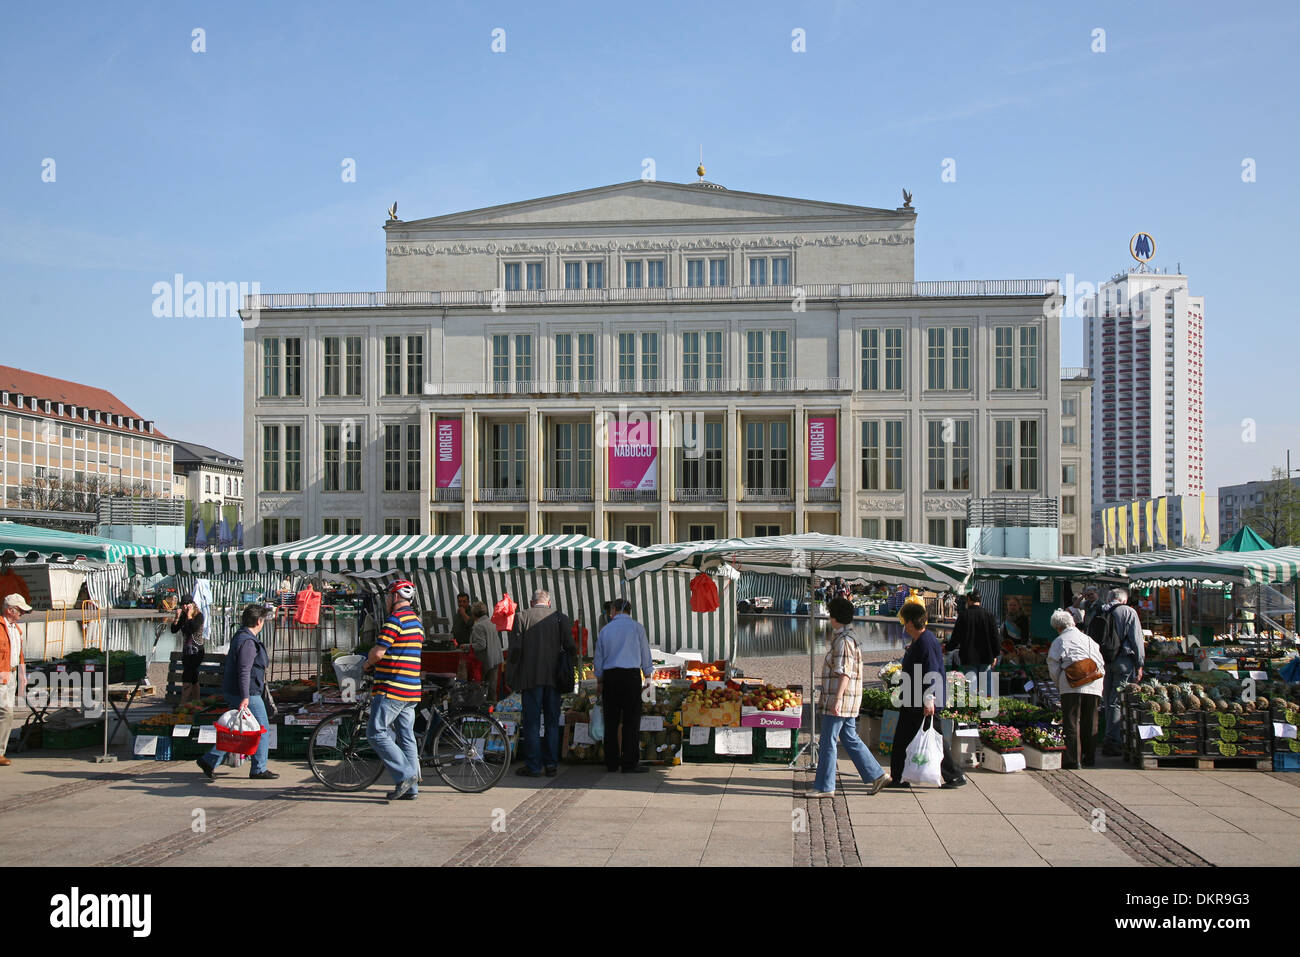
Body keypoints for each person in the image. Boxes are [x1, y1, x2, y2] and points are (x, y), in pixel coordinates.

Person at [809, 597, 888, 797]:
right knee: (849, 737)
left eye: (830, 613)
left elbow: (845, 672)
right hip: (848, 699)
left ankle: (825, 786)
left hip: (841, 700)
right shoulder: (848, 637)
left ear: (834, 616)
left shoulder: (844, 640)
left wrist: (837, 698)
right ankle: (877, 774)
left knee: (828, 741)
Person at [196, 603, 277, 781]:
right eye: (263, 620)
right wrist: (245, 697)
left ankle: (210, 760)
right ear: (258, 621)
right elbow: (244, 670)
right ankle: (258, 769)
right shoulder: (248, 641)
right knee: (261, 729)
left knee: (238, 729)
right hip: (247, 692)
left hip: (236, 690)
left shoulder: (240, 636)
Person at [889, 601, 965, 789]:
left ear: (910, 623)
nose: (903, 626)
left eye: (904, 622)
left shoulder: (926, 641)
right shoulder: (921, 639)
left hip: (921, 700)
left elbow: (931, 671)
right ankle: (900, 777)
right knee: (914, 738)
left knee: (915, 739)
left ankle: (953, 775)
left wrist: (929, 699)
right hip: (914, 698)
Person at [361, 580, 425, 800]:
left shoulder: (395, 620)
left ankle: (405, 775)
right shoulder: (416, 622)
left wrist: (367, 663)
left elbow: (378, 653)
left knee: (375, 732)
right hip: (411, 688)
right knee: (406, 736)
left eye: (389, 596)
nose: (387, 600)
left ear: (395, 597)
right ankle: (412, 787)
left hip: (392, 687)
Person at [508, 590, 576, 777]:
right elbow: (571, 646)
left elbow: (515, 651)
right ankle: (551, 764)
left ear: (531, 602)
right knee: (552, 722)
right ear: (549, 602)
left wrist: (511, 677)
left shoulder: (521, 617)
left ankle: (533, 765)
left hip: (530, 679)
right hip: (555, 679)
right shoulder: (561, 618)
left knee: (532, 723)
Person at [594, 598, 653, 774]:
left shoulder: (605, 630)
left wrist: (599, 680)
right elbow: (645, 654)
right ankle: (629, 763)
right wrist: (648, 677)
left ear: (613, 610)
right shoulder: (637, 628)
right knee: (631, 721)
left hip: (611, 677)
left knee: (611, 721)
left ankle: (611, 762)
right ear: (629, 610)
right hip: (631, 677)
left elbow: (599, 659)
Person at [1047, 608, 1105, 769]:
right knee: (1090, 720)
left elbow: (1053, 664)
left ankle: (1073, 759)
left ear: (1058, 627)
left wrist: (1059, 683)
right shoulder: (1088, 639)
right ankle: (1089, 757)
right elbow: (1100, 661)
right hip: (1094, 681)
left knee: (1072, 720)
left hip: (1072, 682)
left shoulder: (1060, 640)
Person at [1093, 586, 1144, 757]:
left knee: (1108, 701)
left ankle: (1109, 736)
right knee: (1117, 701)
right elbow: (1137, 639)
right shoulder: (1128, 612)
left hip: (1104, 660)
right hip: (1123, 661)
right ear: (1124, 600)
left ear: (1109, 599)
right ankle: (1113, 741)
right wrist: (1139, 664)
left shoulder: (1099, 610)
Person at [0, 594, 32, 767]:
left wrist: (22, 675)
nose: (22, 614)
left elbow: (19, 655)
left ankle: (1, 751)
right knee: (6, 712)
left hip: (11, 675)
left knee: (6, 712)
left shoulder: (15, 629)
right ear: (10, 610)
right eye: (20, 610)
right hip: (1, 674)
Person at [944, 589, 1000, 673]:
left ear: (969, 600)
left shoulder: (963, 616)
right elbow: (995, 637)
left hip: (968, 658)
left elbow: (956, 637)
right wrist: (995, 654)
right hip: (986, 657)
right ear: (980, 600)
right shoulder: (989, 616)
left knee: (970, 685)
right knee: (984, 685)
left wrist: (947, 648)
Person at [171, 593, 206, 706]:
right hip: (187, 651)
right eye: (183, 605)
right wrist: (177, 617)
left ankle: (182, 705)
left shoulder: (199, 616)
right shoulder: (183, 616)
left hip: (196, 651)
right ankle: (197, 703)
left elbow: (192, 628)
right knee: (194, 678)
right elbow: (174, 630)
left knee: (187, 678)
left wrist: (190, 616)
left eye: (187, 604)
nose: (185, 607)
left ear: (192, 604)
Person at [468, 601, 504, 700]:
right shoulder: (491, 622)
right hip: (496, 658)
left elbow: (481, 645)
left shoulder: (479, 626)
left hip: (486, 660)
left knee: (483, 689)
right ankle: (492, 710)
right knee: (492, 688)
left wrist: (467, 646)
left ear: (474, 614)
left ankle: (484, 712)